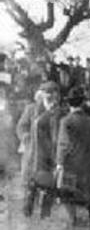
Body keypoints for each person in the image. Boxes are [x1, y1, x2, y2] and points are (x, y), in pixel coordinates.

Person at [53, 87, 90, 227]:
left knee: (68, 194)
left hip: (70, 165)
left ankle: (72, 219)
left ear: (69, 104)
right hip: (87, 164)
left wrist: (59, 163)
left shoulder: (66, 121)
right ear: (82, 103)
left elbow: (63, 144)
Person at [19, 82, 60, 218]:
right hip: (33, 153)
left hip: (50, 154)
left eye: (53, 93)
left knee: (48, 185)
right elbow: (21, 126)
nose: (50, 96)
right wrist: (26, 137)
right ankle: (27, 211)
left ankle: (45, 215)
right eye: (47, 93)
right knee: (30, 184)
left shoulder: (59, 112)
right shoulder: (31, 109)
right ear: (41, 95)